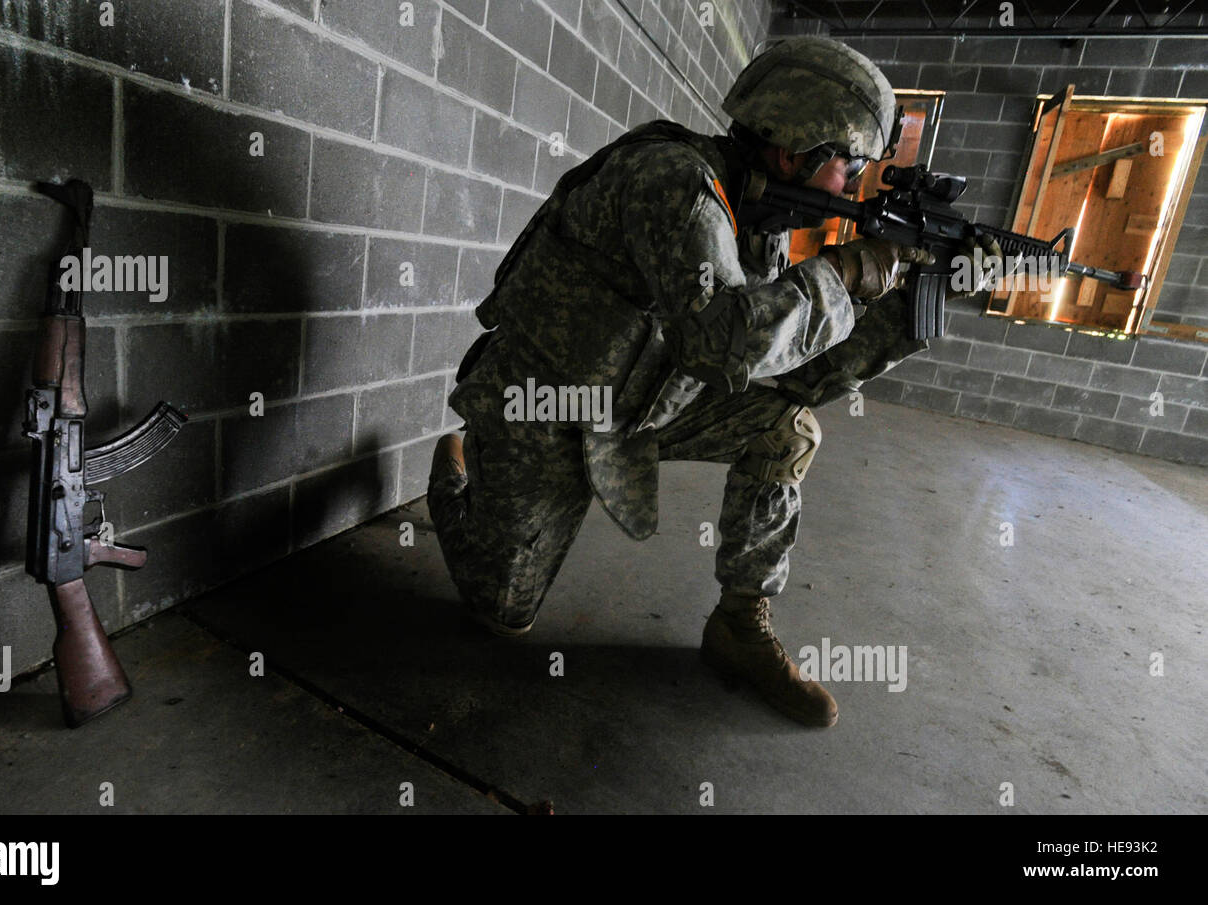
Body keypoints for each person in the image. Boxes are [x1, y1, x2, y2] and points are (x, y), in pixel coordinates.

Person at [426, 36, 1001, 728]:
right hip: (549, 403)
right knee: (501, 610)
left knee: (785, 426)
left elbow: (797, 372)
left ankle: (739, 623)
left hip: (645, 401)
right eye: (849, 163)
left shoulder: (762, 221)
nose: (853, 183)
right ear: (794, 151)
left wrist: (917, 303)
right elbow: (717, 342)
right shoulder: (676, 185)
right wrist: (846, 274)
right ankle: (457, 478)